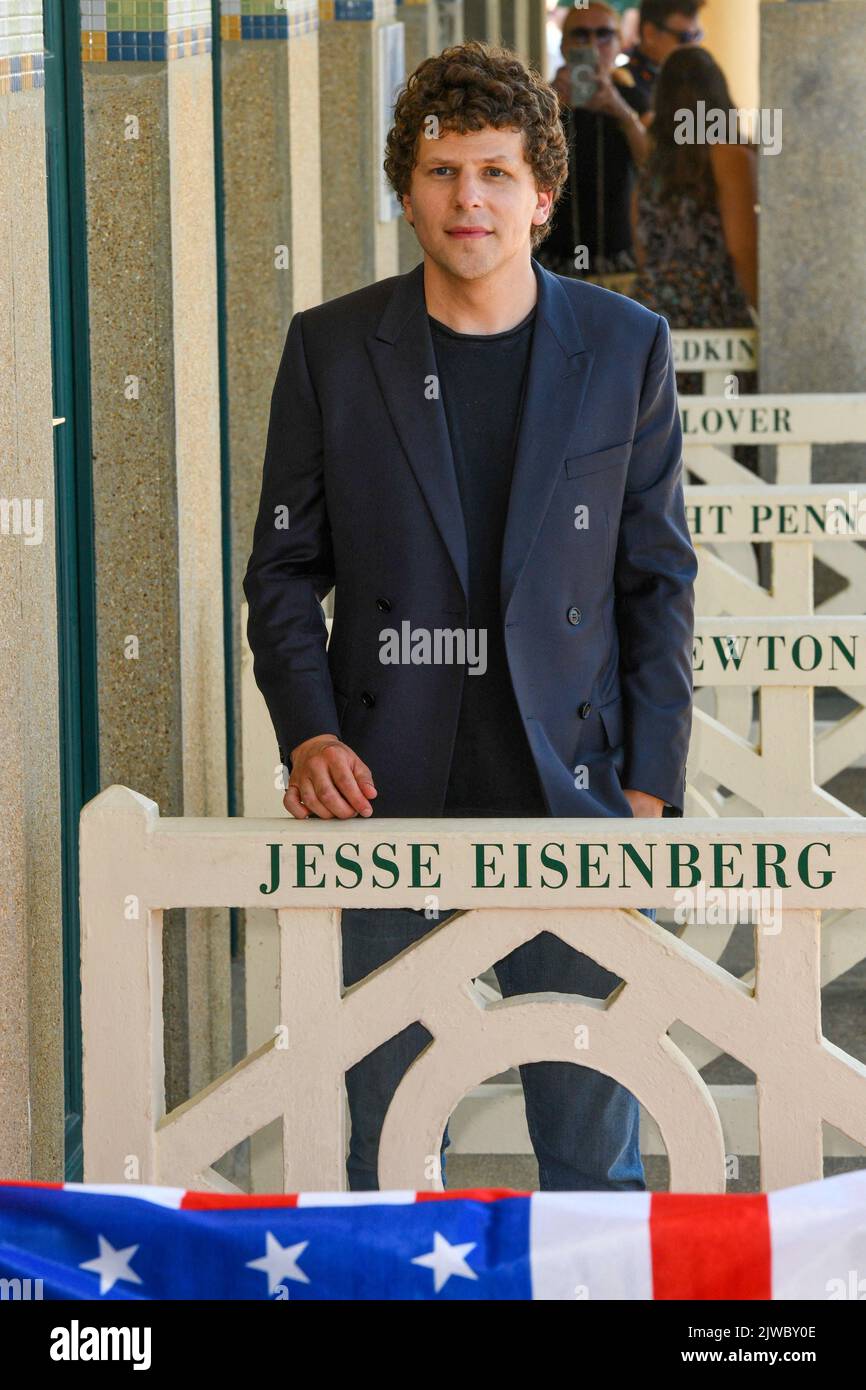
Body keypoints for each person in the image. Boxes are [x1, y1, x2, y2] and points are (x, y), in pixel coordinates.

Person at [243, 40, 697, 1193]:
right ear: (406, 190)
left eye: (496, 174)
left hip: (574, 793)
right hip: (386, 793)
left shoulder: (624, 347)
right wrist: (308, 733)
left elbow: (654, 578)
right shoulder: (332, 348)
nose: (469, 201)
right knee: (385, 1141)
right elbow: (282, 572)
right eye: (444, 173)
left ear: (542, 195)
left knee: (589, 1144)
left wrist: (647, 782)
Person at [629, 46, 757, 391]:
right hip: (713, 313)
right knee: (725, 430)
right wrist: (767, 313)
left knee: (664, 429)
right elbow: (742, 249)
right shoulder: (730, 157)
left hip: (650, 313)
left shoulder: (650, 168)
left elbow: (643, 251)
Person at [538, 2, 649, 283]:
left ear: (619, 43)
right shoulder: (541, 100)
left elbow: (652, 166)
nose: (593, 43)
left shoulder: (633, 97)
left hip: (618, 255)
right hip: (552, 255)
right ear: (564, 46)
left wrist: (621, 111)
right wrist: (550, 107)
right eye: (581, 34)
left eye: (603, 34)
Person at [625, 0, 706, 105]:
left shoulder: (696, 79)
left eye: (698, 36)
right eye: (685, 38)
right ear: (650, 33)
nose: (693, 46)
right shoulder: (624, 85)